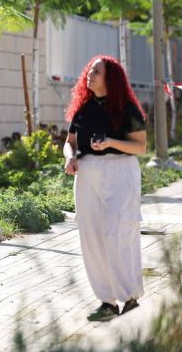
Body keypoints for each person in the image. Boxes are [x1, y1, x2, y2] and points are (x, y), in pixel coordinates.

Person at [63, 55, 147, 322]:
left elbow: (140, 147)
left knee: (118, 232)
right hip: (87, 175)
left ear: (109, 77)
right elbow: (70, 141)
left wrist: (110, 141)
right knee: (92, 237)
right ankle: (107, 302)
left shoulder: (127, 109)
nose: (89, 75)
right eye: (89, 71)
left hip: (120, 171)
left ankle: (130, 297)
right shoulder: (83, 109)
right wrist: (69, 156)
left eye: (96, 71)